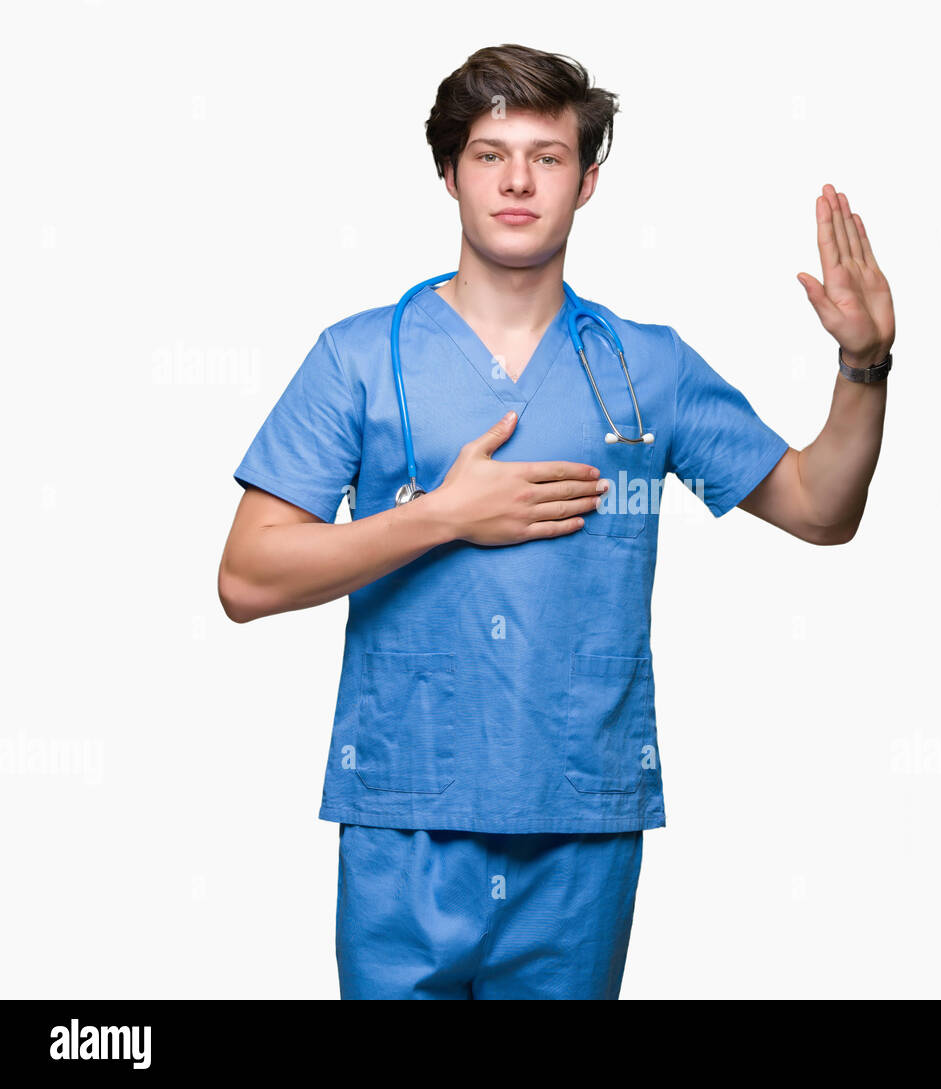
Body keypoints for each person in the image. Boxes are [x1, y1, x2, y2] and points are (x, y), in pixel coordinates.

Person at [218, 42, 895, 1000]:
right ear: (448, 173)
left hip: (579, 829)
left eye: (548, 154)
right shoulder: (361, 358)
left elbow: (822, 510)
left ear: (586, 182)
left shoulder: (645, 366)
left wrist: (863, 368)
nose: (518, 180)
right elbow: (246, 577)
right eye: (490, 154)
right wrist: (443, 517)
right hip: (404, 825)